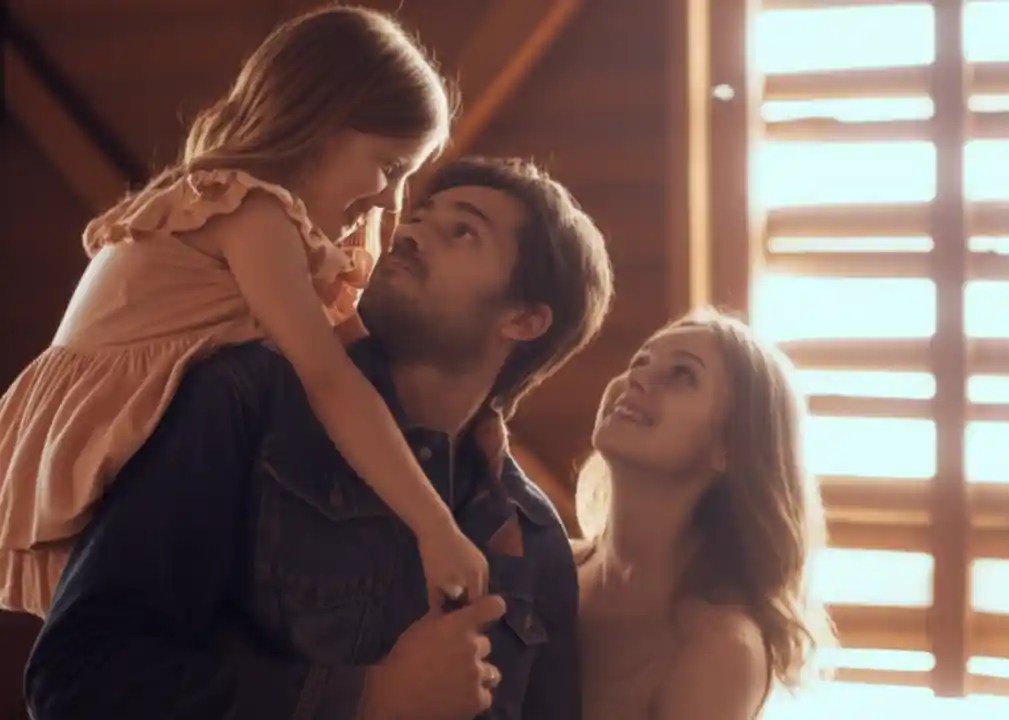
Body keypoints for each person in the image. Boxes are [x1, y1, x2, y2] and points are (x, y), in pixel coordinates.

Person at [26, 155, 614, 719]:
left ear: (525, 320)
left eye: (462, 232)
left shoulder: (537, 543)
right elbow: (80, 677)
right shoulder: (243, 398)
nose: (408, 233)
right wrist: (364, 701)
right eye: (418, 215)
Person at [0, 6, 487, 618]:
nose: (391, 199)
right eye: (390, 167)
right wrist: (434, 524)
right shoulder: (251, 213)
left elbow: (365, 369)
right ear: (324, 124)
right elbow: (331, 383)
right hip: (102, 452)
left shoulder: (274, 228)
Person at [575, 308, 832, 719]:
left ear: (728, 447)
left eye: (682, 375)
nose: (638, 378)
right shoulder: (549, 564)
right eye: (640, 361)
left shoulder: (723, 647)